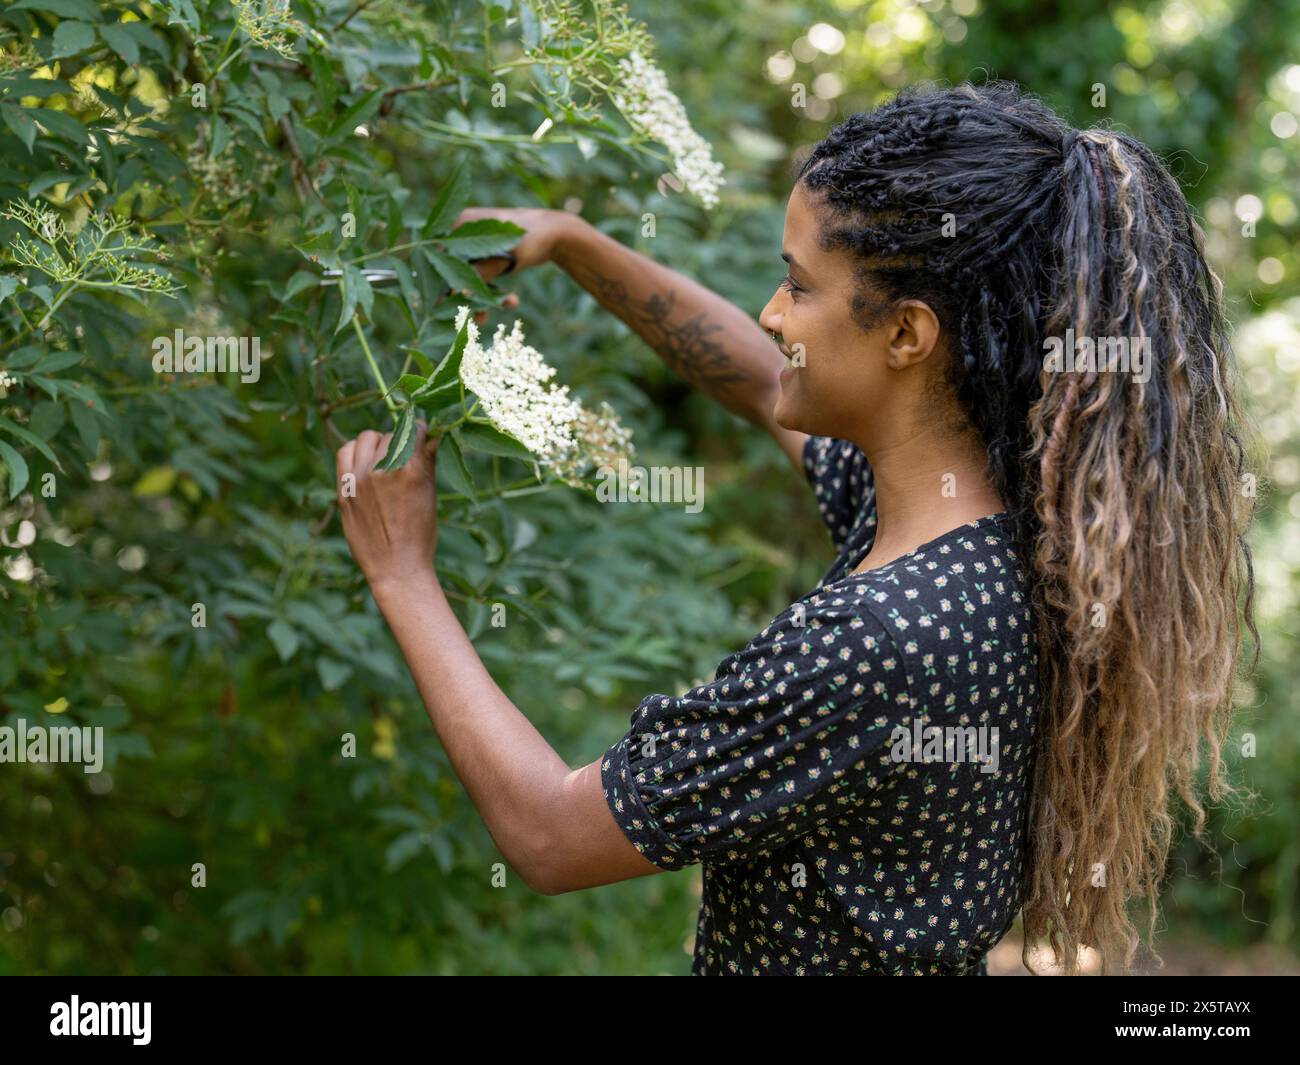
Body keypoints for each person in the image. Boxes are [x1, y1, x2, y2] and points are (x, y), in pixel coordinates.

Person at [333, 82, 1255, 975]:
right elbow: (754, 377)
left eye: (798, 286)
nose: (773, 313)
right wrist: (573, 242)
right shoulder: (996, 534)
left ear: (906, 335)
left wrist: (401, 570)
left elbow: (547, 832)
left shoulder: (880, 639)